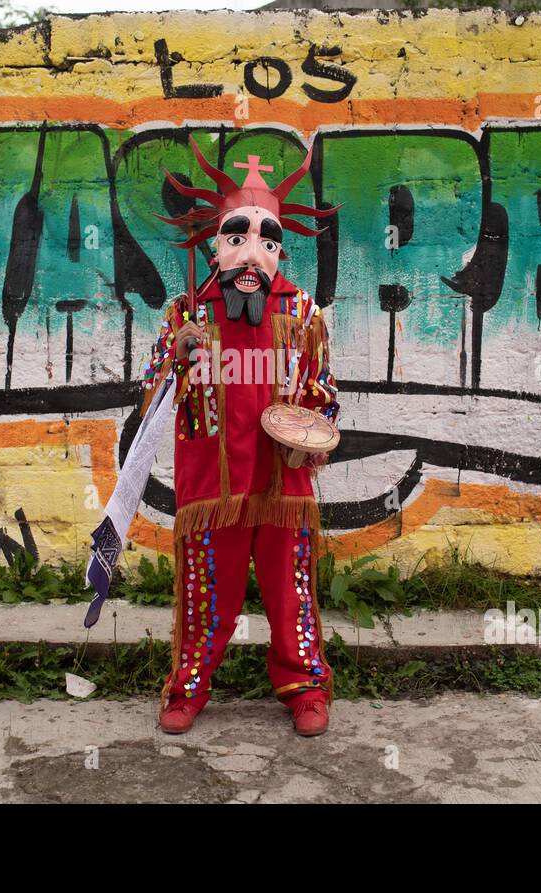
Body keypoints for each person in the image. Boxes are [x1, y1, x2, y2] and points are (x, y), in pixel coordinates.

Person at [139, 137, 341, 736]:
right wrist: (174, 358)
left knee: (290, 596)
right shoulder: (187, 314)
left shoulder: (302, 312)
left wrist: (312, 434)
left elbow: (322, 393)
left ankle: (306, 689)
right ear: (215, 246)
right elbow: (150, 392)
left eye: (267, 240)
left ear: (280, 248)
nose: (253, 255)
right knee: (208, 600)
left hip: (284, 479)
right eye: (237, 238)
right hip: (212, 481)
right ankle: (189, 688)